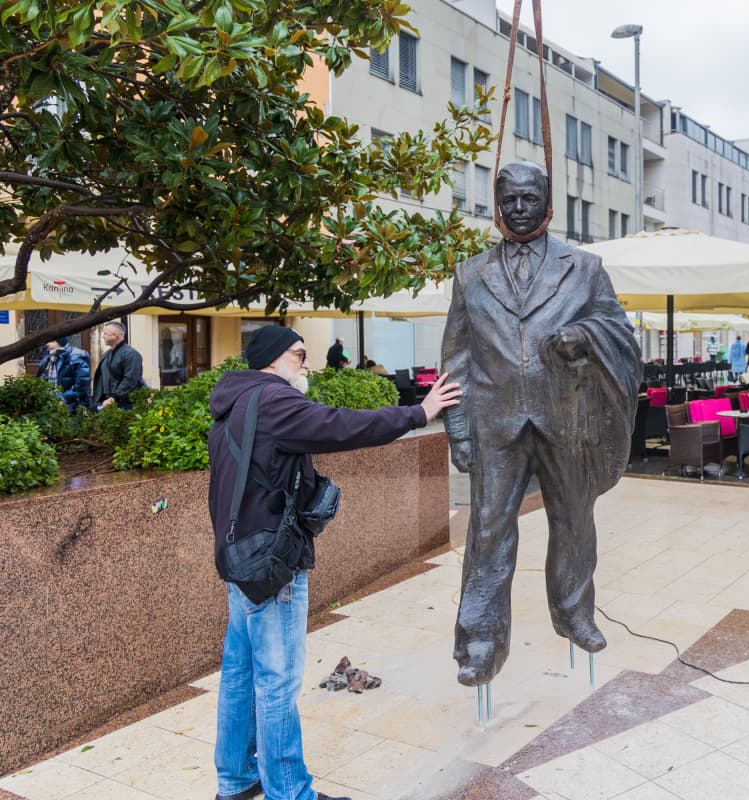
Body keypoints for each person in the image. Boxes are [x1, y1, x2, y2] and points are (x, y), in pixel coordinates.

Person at [207, 325, 461, 800]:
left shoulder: (234, 403)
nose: (307, 364)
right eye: (300, 355)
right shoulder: (274, 401)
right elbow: (341, 425)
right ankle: (289, 792)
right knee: (277, 683)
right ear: (273, 359)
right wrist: (419, 412)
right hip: (271, 566)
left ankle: (237, 781)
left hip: (238, 558)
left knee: (240, 675)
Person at [441, 161, 640, 686]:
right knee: (487, 532)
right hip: (493, 422)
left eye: (530, 199)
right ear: (497, 204)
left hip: (566, 416)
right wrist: (458, 430)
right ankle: (481, 640)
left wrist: (584, 337)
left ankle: (574, 612)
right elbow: (455, 360)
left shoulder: (587, 268)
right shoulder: (470, 273)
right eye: (510, 200)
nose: (520, 209)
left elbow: (619, 333)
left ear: (548, 203)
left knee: (574, 520)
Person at [92, 321, 144, 409]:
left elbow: (130, 379)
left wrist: (114, 397)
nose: (102, 336)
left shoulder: (131, 354)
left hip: (126, 404)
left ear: (115, 335)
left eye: (105, 333)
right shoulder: (106, 354)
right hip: (108, 403)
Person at [37, 336, 91, 412]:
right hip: (51, 406)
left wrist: (64, 399)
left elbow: (81, 385)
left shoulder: (76, 357)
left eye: (52, 341)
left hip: (73, 407)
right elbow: (42, 380)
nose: (48, 344)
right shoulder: (48, 359)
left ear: (60, 342)